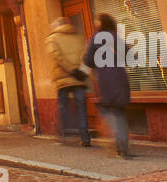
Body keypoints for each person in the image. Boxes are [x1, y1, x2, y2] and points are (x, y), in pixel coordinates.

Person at [83, 12, 132, 158]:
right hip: (121, 77)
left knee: (110, 112)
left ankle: (120, 145)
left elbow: (87, 59)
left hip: (106, 78)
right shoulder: (115, 37)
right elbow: (130, 54)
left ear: (101, 23)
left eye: (97, 21)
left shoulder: (96, 39)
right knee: (120, 111)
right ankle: (123, 145)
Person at [45, 16, 91, 147]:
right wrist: (81, 72)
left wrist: (71, 70)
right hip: (79, 79)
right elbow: (85, 55)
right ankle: (85, 137)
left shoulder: (51, 39)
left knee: (63, 107)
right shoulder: (78, 37)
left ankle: (63, 135)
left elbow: (57, 57)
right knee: (82, 108)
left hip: (63, 78)